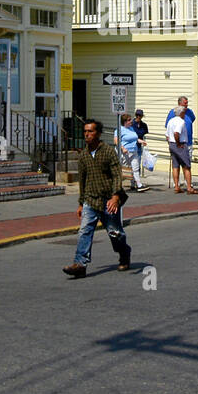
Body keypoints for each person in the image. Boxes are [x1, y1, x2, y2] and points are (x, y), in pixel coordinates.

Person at [63, 119, 131, 278]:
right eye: (85, 131)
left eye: (90, 131)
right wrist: (81, 203)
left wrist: (115, 197)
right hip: (90, 201)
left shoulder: (108, 151)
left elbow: (116, 175)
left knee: (115, 233)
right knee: (84, 232)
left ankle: (124, 252)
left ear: (98, 133)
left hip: (108, 200)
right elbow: (83, 180)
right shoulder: (84, 155)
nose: (87, 134)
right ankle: (80, 264)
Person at [166, 105, 197, 194]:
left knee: (175, 166)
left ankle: (176, 186)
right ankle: (189, 187)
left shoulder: (170, 121)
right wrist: (178, 143)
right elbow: (176, 133)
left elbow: (167, 135)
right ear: (181, 113)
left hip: (171, 144)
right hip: (180, 144)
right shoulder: (181, 122)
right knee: (186, 166)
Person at [117, 113, 147, 191]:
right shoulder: (119, 129)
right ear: (125, 122)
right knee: (124, 169)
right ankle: (117, 185)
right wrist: (122, 148)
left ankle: (138, 185)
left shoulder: (131, 129)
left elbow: (135, 138)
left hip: (134, 151)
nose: (131, 121)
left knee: (135, 168)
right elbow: (116, 141)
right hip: (125, 152)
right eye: (129, 120)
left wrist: (141, 141)